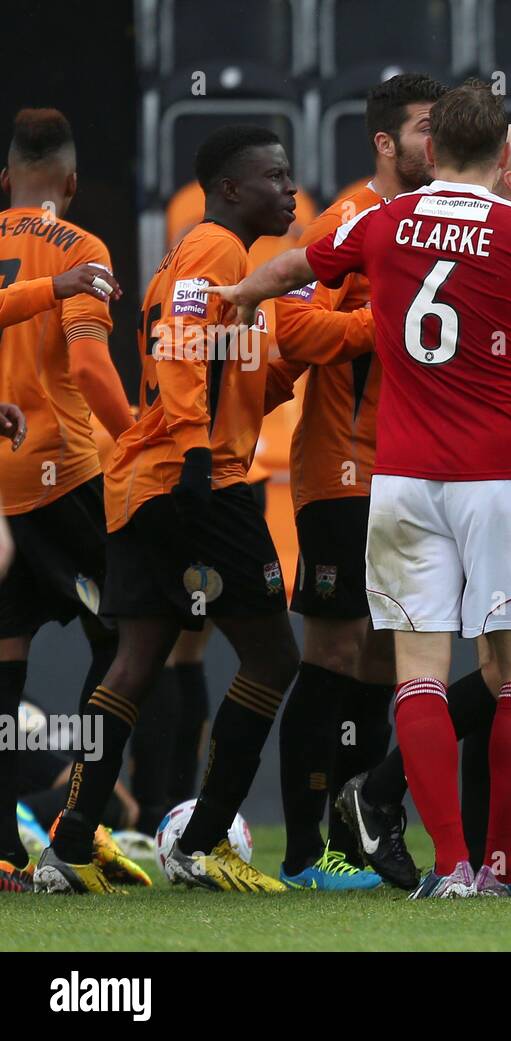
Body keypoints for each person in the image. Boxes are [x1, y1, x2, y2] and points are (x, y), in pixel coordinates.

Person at [207, 83, 511, 898]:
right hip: (498, 473)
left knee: (420, 673)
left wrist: (244, 294)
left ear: (432, 153)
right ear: (505, 158)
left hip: (400, 479)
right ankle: (502, 864)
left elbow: (298, 263)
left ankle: (451, 866)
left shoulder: (382, 220)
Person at [35, 124, 372, 895]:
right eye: (275, 176)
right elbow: (184, 345)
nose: (290, 190)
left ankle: (72, 845)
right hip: (198, 480)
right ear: (229, 189)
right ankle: (205, 838)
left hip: (141, 482)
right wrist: (193, 452)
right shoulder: (218, 248)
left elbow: (236, 366)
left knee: (136, 660)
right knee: (275, 657)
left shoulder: (214, 258)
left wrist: (311, 364)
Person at [266, 72, 446, 892]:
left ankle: (363, 832)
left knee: (380, 654)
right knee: (334, 646)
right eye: (421, 129)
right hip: (340, 465)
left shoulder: (437, 223)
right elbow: (292, 327)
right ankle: (306, 853)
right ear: (385, 142)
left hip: (407, 467)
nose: (435, 144)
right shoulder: (349, 219)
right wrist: (384, 323)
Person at [0, 108, 139, 893]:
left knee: (3, 667)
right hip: (67, 478)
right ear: (73, 184)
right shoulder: (81, 248)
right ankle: (77, 831)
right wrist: (136, 441)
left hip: (3, 495)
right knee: (124, 640)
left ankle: (3, 852)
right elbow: (90, 370)